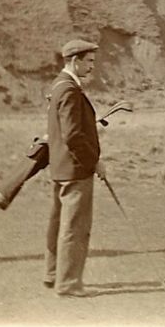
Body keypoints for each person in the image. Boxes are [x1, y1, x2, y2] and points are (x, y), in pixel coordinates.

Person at [44, 39, 106, 297]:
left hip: (61, 167)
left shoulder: (59, 85)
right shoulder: (69, 89)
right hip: (75, 170)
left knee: (60, 223)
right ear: (75, 60)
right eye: (89, 61)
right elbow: (72, 136)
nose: (92, 67)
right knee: (74, 227)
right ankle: (68, 284)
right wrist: (95, 161)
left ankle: (53, 274)